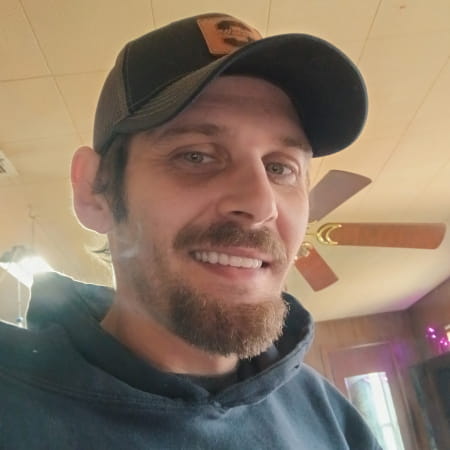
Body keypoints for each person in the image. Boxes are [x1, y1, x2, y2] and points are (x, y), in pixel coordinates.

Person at [0, 13, 381, 449]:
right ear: (95, 191)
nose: (261, 205)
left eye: (280, 168)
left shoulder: (334, 423)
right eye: (196, 156)